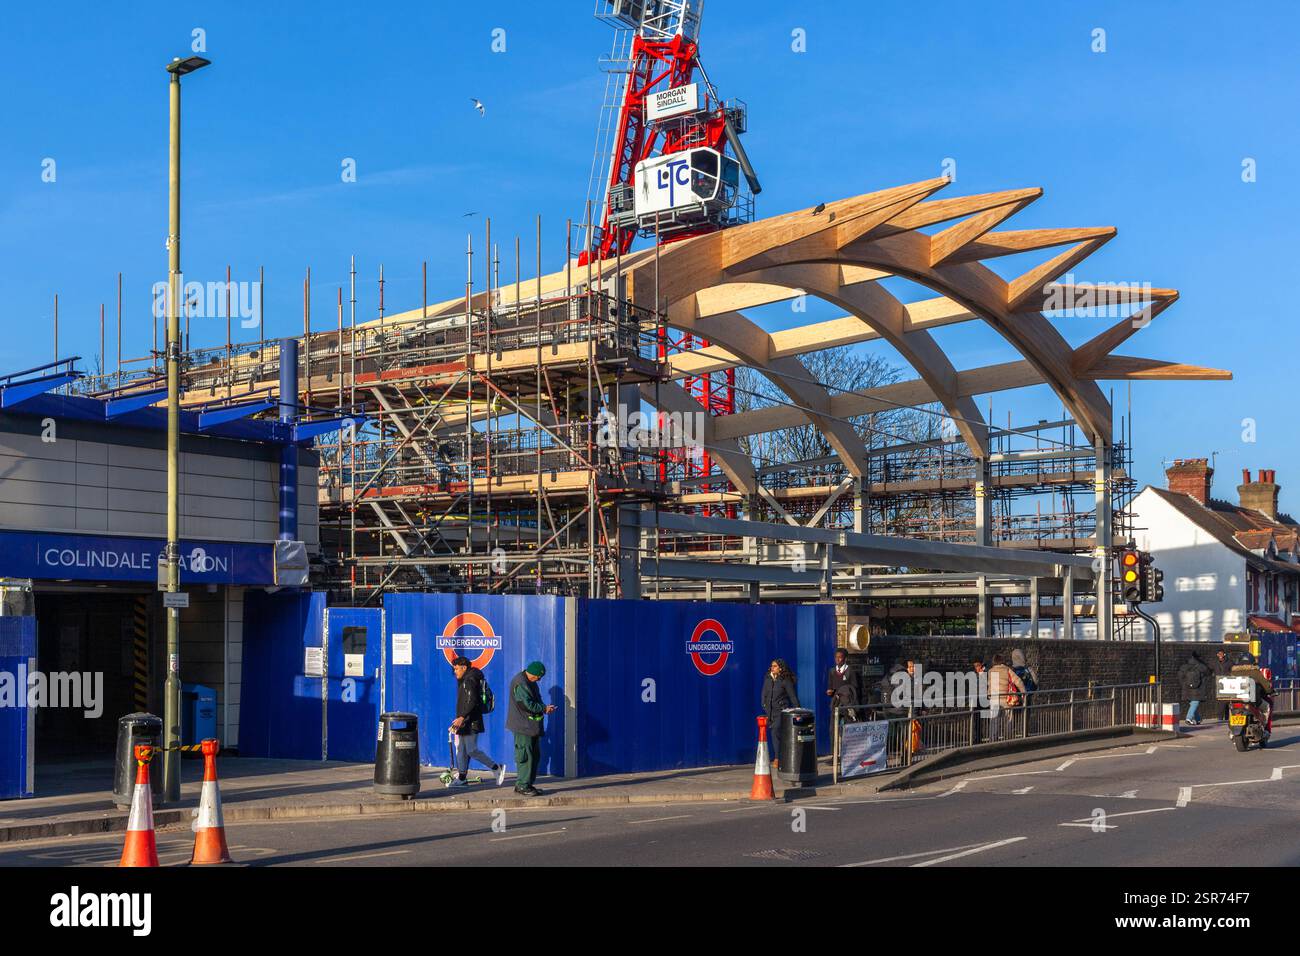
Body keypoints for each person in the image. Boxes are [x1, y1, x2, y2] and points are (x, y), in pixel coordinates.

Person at [448, 656, 507, 787]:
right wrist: (459, 719)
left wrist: (462, 717)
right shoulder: (466, 679)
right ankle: (462, 778)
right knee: (461, 749)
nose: (455, 672)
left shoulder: (470, 679)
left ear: (464, 667)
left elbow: (472, 701)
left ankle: (496, 767)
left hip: (471, 721)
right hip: (464, 720)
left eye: (456, 669)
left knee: (471, 750)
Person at [506, 661, 557, 797]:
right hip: (523, 726)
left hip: (531, 726)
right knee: (525, 756)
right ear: (532, 673)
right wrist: (543, 708)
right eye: (538, 677)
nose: (539, 680)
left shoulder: (531, 682)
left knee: (534, 755)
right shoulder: (521, 683)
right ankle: (522, 785)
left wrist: (544, 707)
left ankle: (526, 784)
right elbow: (526, 705)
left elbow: (536, 700)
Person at [761, 658, 800, 768]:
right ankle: (785, 757)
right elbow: (764, 694)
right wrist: (764, 705)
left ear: (780, 668)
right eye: (772, 666)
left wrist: (798, 710)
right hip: (770, 712)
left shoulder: (785, 680)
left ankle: (778, 758)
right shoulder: (768, 678)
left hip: (781, 711)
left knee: (775, 731)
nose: (772, 668)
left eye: (775, 666)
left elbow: (792, 696)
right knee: (779, 735)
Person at [986, 654, 1025, 739]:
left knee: (994, 721)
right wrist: (1023, 692)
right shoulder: (1007, 670)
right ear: (1002, 661)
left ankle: (993, 740)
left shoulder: (990, 671)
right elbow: (1018, 681)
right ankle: (1008, 738)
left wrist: (989, 696)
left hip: (994, 699)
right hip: (1005, 699)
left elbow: (990, 685)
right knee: (1008, 721)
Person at [1176, 650, 1212, 725]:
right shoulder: (1201, 666)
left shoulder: (1184, 666)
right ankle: (1188, 719)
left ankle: (1198, 719)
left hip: (1186, 689)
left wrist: (1184, 684)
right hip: (1198, 689)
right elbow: (1209, 673)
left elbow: (1180, 676)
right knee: (1195, 703)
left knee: (1193, 703)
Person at [826, 648, 858, 721]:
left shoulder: (850, 671)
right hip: (836, 702)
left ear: (845, 659)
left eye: (840, 657)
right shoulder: (832, 671)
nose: (837, 659)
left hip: (847, 703)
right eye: (836, 657)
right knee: (833, 724)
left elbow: (854, 688)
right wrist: (830, 692)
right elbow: (830, 687)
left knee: (848, 723)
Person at [1212, 648, 1233, 721]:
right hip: (1218, 683)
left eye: (1222, 654)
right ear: (1217, 655)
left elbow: (1233, 671)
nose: (1220, 655)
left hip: (1227, 682)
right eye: (1219, 654)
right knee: (1220, 701)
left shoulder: (1230, 662)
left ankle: (1225, 717)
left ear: (1224, 654)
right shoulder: (1215, 663)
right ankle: (1221, 717)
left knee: (1226, 700)